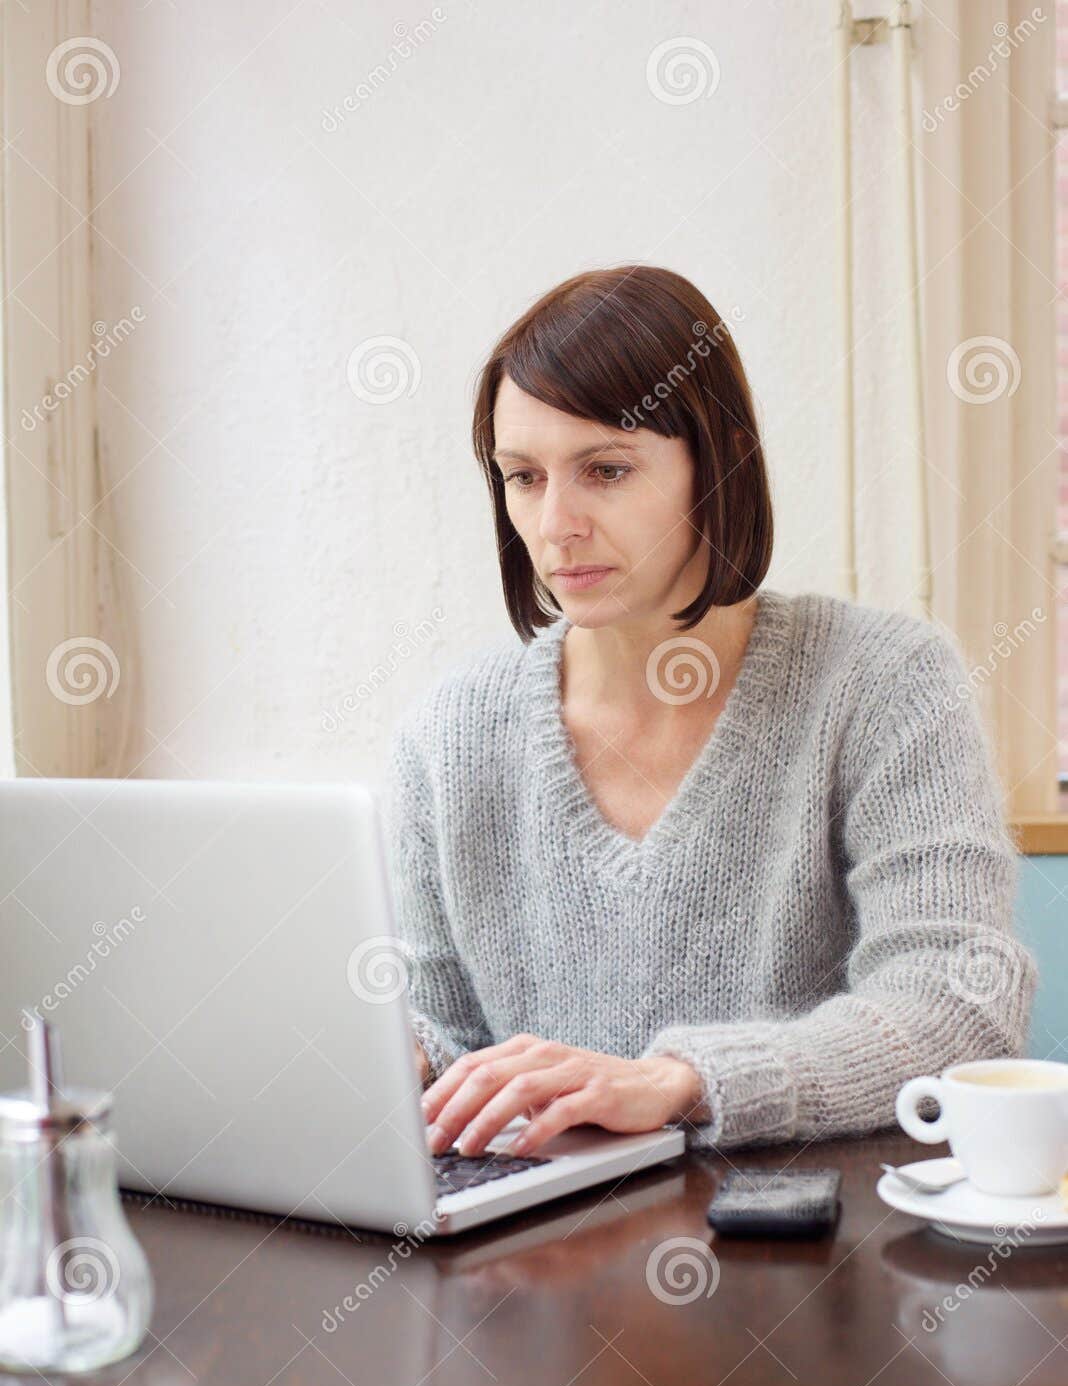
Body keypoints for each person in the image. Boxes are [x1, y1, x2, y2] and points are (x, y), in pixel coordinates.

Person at [384, 264, 1037, 1160]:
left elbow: (958, 999)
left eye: (606, 470)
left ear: (718, 461)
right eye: (524, 477)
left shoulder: (883, 681)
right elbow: (450, 1033)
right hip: (536, 1232)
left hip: (808, 1228)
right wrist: (395, 1057)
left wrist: (682, 1083)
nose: (556, 522)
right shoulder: (449, 734)